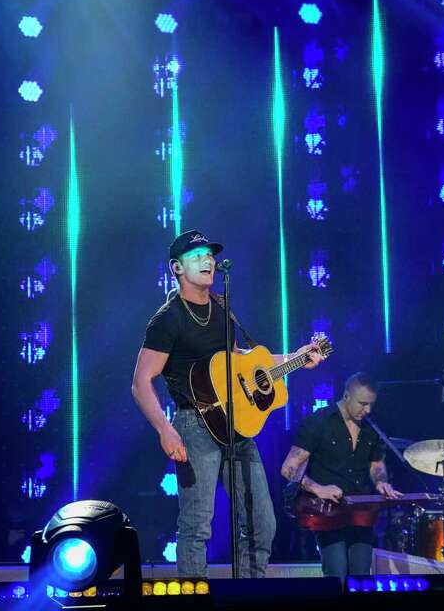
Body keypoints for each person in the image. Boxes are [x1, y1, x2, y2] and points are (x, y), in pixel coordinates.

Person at [130, 230, 325, 578]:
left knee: (262, 523)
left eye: (210, 255)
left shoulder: (221, 308)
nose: (207, 261)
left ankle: (249, 594)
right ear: (177, 268)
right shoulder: (168, 319)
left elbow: (241, 362)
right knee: (197, 526)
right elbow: (141, 381)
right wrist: (164, 430)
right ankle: (194, 596)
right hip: (194, 426)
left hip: (236, 425)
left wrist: (295, 358)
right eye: (197, 256)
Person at [279, 373, 402, 578]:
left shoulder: (372, 426)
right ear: (346, 396)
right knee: (337, 574)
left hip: (361, 511)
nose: (368, 410)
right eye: (362, 404)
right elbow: (288, 468)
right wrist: (318, 488)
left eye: (371, 404)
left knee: (361, 575)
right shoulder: (319, 422)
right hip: (327, 512)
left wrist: (381, 482)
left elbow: (376, 464)